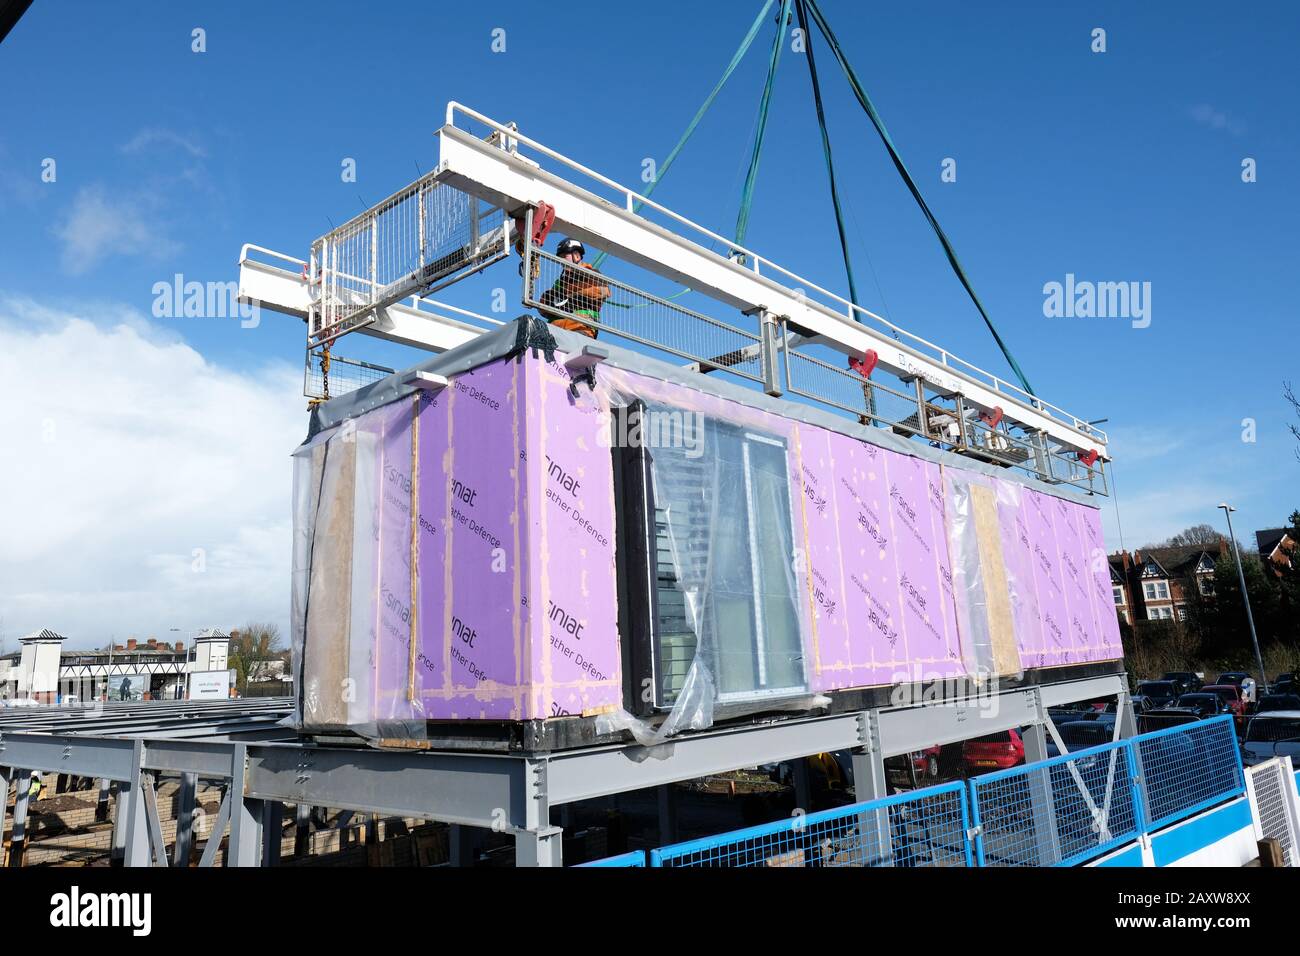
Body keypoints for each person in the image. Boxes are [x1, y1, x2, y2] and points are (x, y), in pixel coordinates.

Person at [538, 238, 610, 338]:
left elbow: (604, 291)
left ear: (576, 256)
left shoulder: (591, 274)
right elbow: (543, 306)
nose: (561, 260)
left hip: (580, 327)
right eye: (560, 257)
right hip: (555, 329)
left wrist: (572, 295)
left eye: (564, 256)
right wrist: (548, 301)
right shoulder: (560, 282)